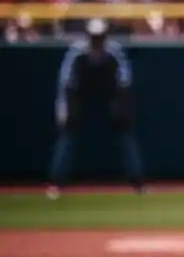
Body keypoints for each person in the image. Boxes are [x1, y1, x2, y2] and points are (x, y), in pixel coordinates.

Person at [47, 19, 147, 198]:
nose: (97, 42)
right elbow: (67, 85)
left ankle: (137, 182)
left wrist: (122, 109)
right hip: (80, 93)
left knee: (126, 133)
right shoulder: (77, 53)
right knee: (67, 134)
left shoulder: (114, 53)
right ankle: (56, 183)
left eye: (100, 37)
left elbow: (124, 84)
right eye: (94, 37)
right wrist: (67, 111)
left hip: (108, 92)